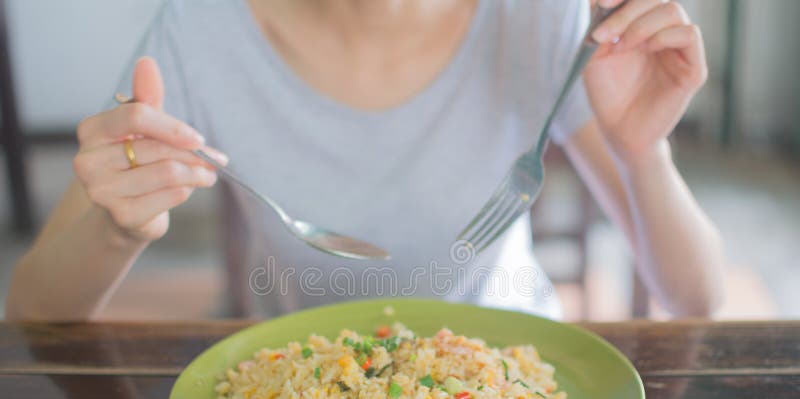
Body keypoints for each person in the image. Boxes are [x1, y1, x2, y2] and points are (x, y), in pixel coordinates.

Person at [6, 0, 724, 320]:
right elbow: (33, 308)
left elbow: (697, 299)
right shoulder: (201, 27)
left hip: (513, 391)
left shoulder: (542, 14)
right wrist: (117, 227)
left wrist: (644, 155)